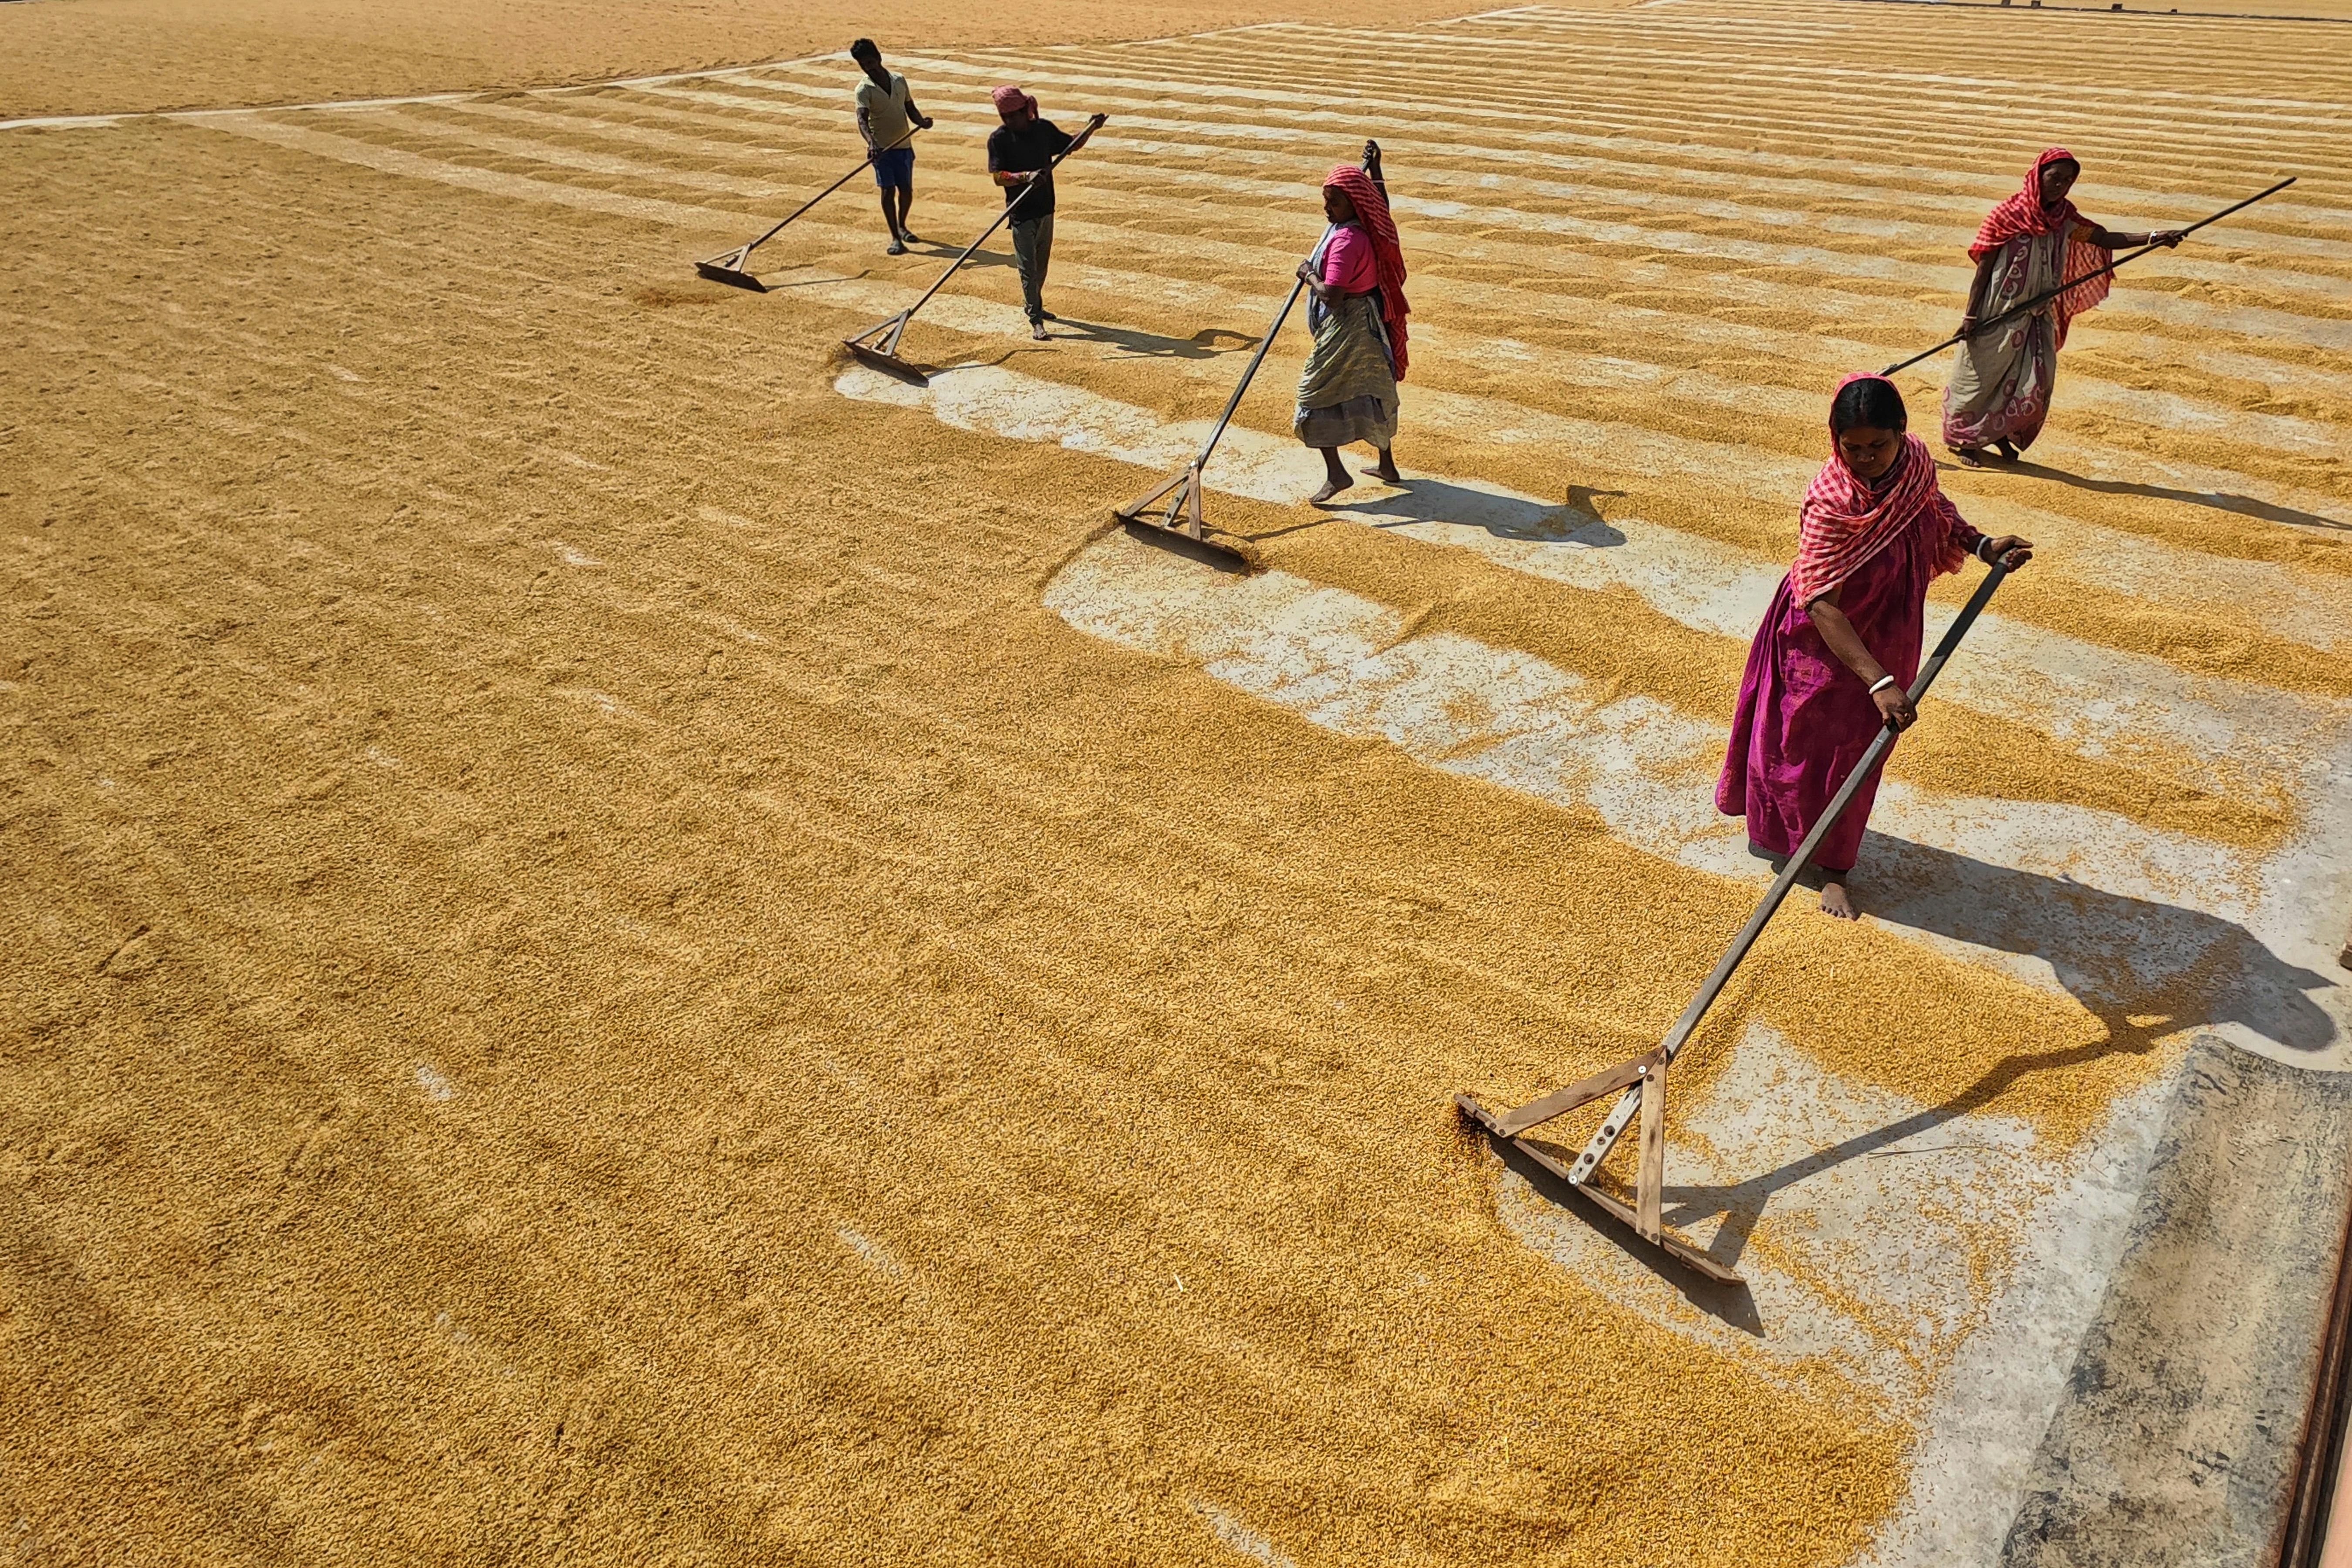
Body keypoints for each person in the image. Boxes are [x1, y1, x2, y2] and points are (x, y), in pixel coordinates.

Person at [1719, 376, 2032, 919]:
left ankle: (1836, 868)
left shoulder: (1912, 462)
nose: (1865, 458)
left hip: (1891, 623)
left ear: (1902, 434)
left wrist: (1979, 543)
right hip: (1824, 640)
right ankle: (1796, 844)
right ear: (1834, 441)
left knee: (1862, 748)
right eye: (1852, 448)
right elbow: (1818, 602)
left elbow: (1931, 505)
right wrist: (1879, 681)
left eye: (1877, 446)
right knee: (1800, 743)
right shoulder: (1830, 502)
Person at [1943, 148, 2183, 463]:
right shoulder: (2005, 216)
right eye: (2055, 178)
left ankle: (1997, 434)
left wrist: (2154, 237)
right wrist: (1971, 316)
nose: (2060, 186)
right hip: (1998, 312)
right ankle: (1965, 440)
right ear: (2038, 175)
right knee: (1982, 376)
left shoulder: (2065, 218)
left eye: (2068, 181)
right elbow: (1984, 268)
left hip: (2038, 313)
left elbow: (2105, 239)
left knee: (2029, 379)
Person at [1294, 142, 1410, 505]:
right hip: (1369, 323)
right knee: (1373, 388)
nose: (1327, 209)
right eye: (1326, 200)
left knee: (1312, 395)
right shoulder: (1369, 225)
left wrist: (1308, 273)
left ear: (1353, 205)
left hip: (1349, 327)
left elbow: (1331, 295)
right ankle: (1387, 466)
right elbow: (1381, 206)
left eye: (1335, 202)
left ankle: (1337, 475)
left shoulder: (1346, 241)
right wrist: (1376, 170)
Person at [985, 87, 1105, 340]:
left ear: (1023, 111)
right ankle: (1035, 319)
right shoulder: (999, 139)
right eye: (1004, 118)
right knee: (1027, 268)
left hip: (1046, 209)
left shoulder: (1042, 130)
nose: (1009, 122)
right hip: (1021, 213)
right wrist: (1025, 177)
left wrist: (1091, 128)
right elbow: (998, 177)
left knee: (1041, 267)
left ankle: (1035, 304)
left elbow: (1070, 145)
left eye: (1013, 117)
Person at [850, 39, 932, 256]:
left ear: (879, 57)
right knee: (888, 192)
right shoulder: (863, 90)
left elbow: (910, 108)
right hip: (882, 151)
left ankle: (902, 226)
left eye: (871, 62)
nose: (869, 68)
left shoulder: (899, 80)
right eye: (864, 65)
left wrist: (921, 122)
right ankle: (896, 238)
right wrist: (872, 143)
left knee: (906, 190)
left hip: (904, 146)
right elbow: (862, 121)